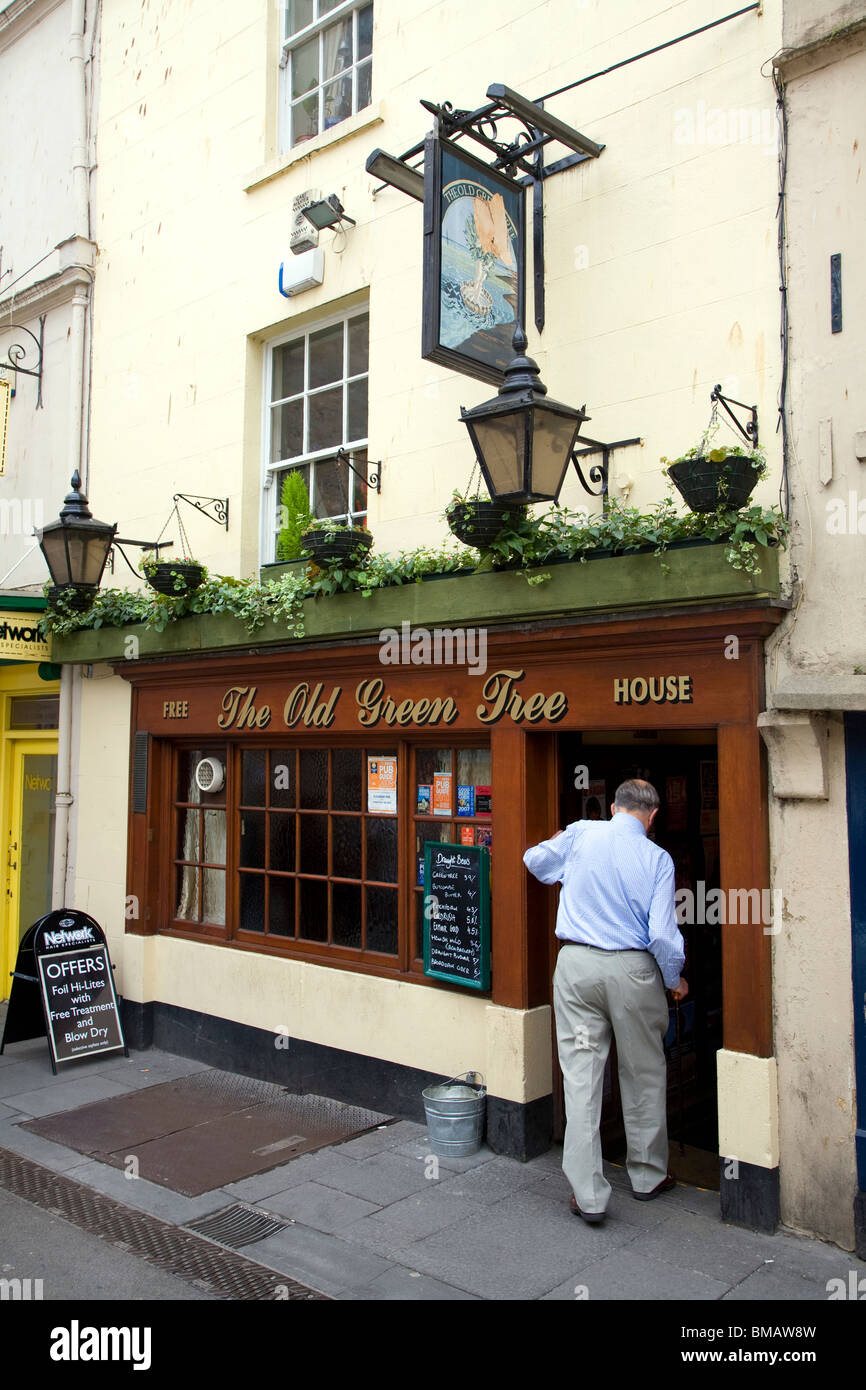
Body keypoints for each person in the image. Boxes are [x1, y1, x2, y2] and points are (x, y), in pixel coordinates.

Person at [523, 778, 687, 1224]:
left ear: (613, 806)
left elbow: (534, 863)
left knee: (580, 1076)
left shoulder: (581, 832)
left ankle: (589, 1194)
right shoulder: (657, 858)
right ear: (652, 817)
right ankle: (647, 1176)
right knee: (644, 1072)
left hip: (576, 967)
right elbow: (660, 934)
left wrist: (553, 842)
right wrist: (674, 978)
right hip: (633, 972)